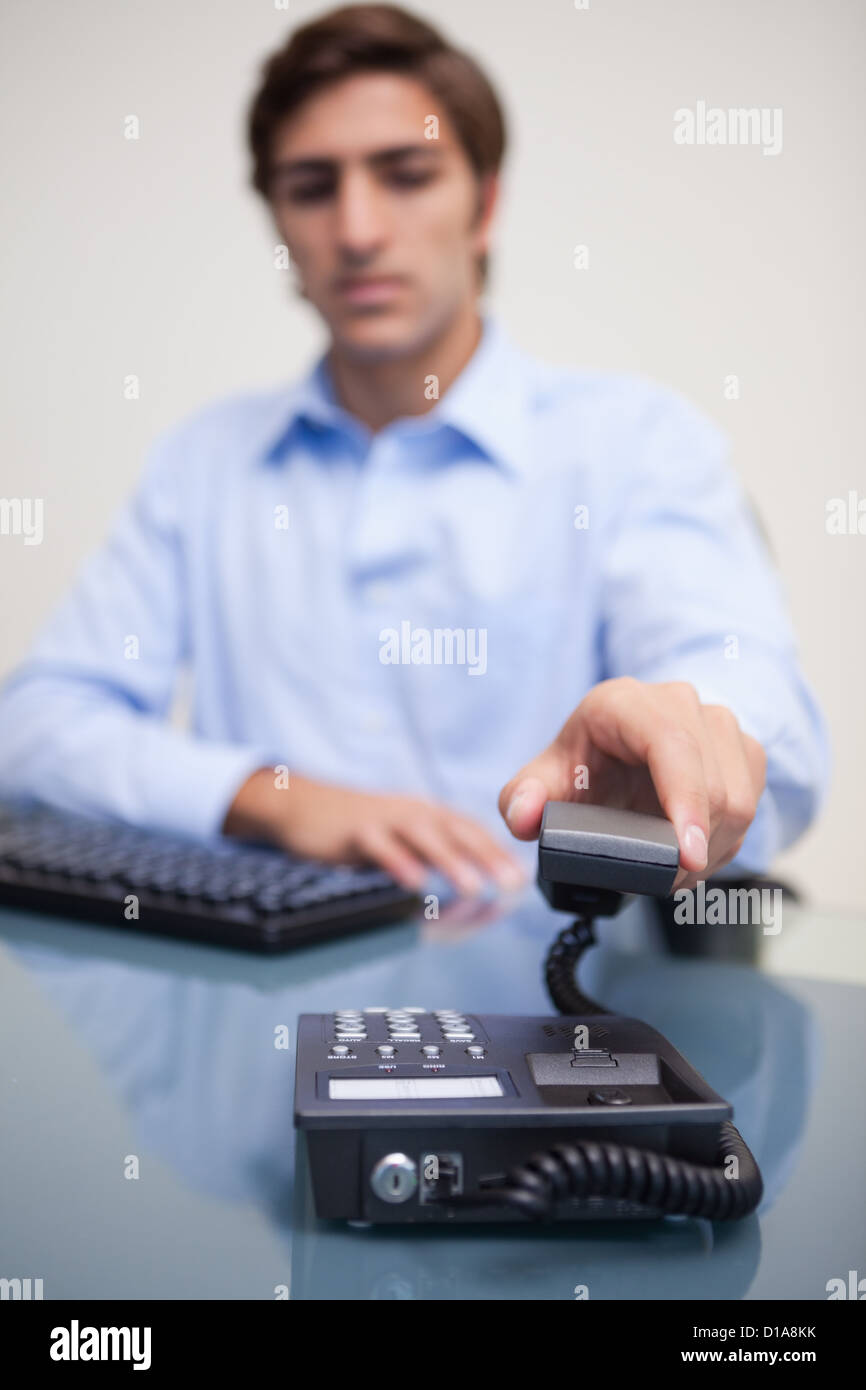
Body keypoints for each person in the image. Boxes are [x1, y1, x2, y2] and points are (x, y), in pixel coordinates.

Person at [0, 4, 828, 898]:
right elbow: (36, 729)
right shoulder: (201, 463)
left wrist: (693, 745)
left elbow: (753, 707)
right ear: (277, 220)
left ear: (485, 202)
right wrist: (270, 796)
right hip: (258, 996)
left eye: (407, 175)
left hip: (547, 1000)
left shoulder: (638, 446)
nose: (357, 230)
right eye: (313, 187)